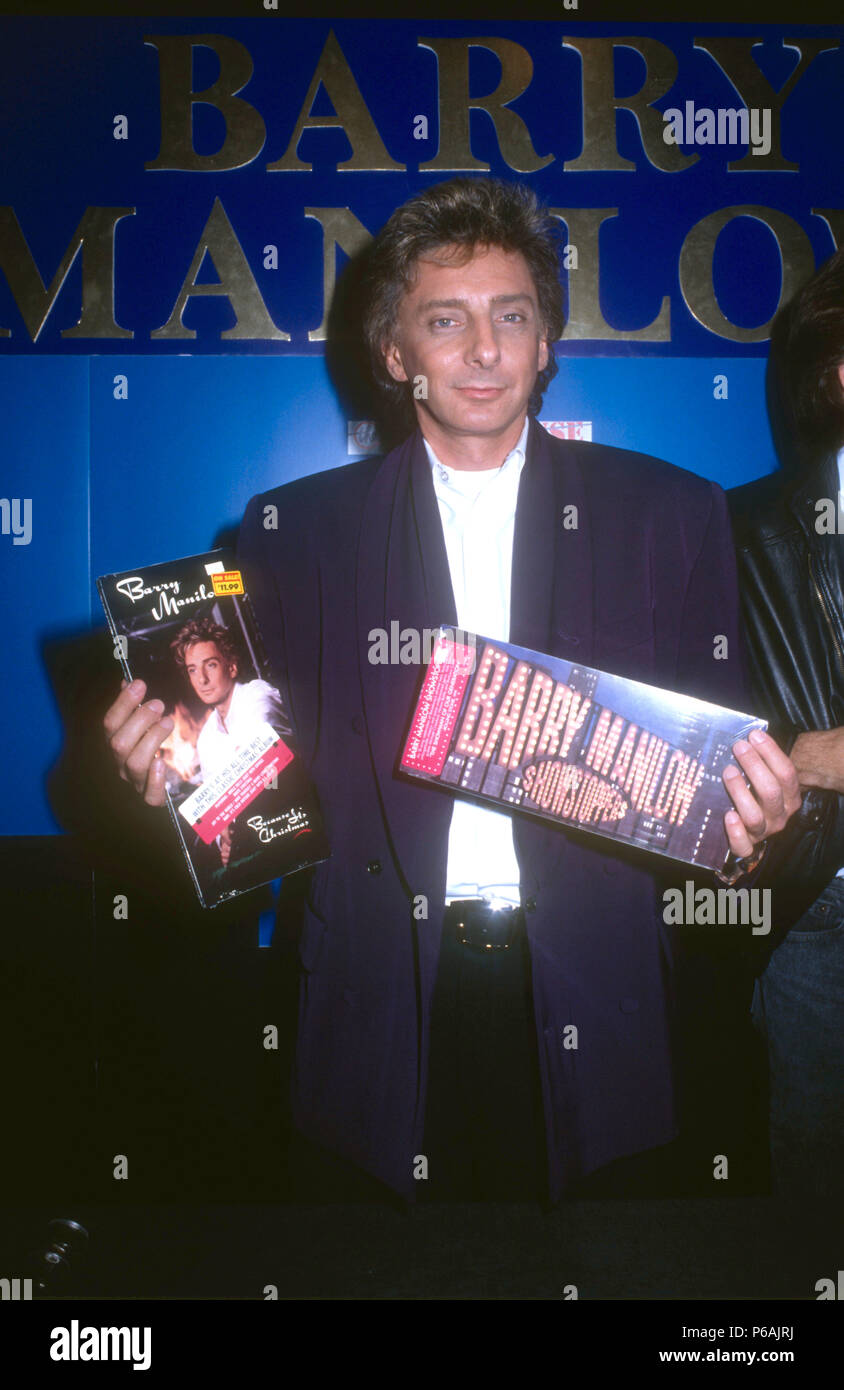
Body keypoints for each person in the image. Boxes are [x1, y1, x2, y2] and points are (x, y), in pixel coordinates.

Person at [102, 177, 800, 1205]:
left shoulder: (670, 513)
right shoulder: (295, 531)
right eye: (446, 319)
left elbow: (715, 788)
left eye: (510, 316)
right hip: (376, 991)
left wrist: (753, 821)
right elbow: (256, 795)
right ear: (395, 354)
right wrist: (171, 779)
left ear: (545, 343)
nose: (483, 348)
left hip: (593, 990)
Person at [729, 249, 844, 1201]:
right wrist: (808, 756)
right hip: (819, 902)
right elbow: (678, 743)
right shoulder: (736, 530)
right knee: (813, 1180)